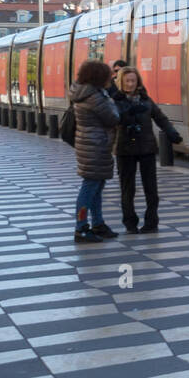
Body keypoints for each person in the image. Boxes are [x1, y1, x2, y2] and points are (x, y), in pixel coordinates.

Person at [111, 66, 180, 233]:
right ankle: (130, 223)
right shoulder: (114, 101)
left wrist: (172, 133)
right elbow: (110, 120)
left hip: (146, 148)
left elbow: (160, 117)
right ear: (121, 82)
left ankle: (151, 222)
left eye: (133, 80)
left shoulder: (145, 99)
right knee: (128, 189)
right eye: (127, 81)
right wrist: (125, 113)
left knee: (151, 188)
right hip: (125, 149)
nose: (130, 84)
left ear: (138, 81)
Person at [69, 60, 120, 243]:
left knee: (97, 186)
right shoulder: (94, 96)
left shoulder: (85, 92)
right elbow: (112, 118)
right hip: (95, 146)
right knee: (90, 187)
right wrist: (112, 100)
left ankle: (98, 223)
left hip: (90, 144)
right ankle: (81, 227)